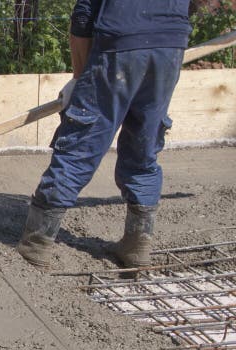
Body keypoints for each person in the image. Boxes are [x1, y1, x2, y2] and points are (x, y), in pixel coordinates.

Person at [17, 0, 192, 269]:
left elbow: (83, 15)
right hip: (171, 45)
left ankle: (36, 245)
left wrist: (79, 77)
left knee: (81, 143)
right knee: (144, 144)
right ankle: (137, 244)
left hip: (119, 44)